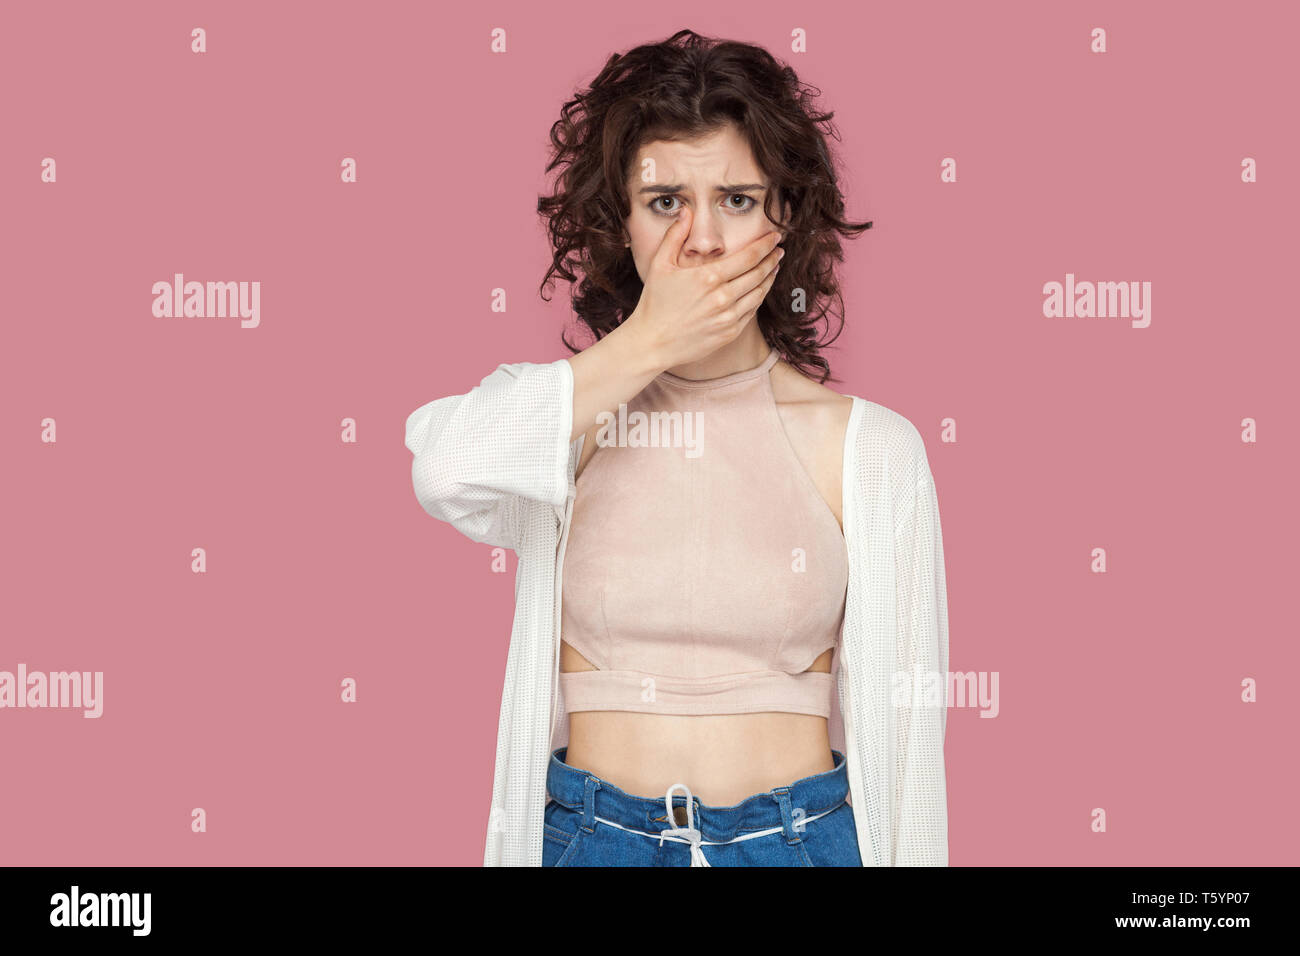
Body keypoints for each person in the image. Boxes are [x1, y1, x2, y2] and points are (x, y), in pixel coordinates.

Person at [405, 28, 950, 866]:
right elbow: (444, 469)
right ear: (620, 223)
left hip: (797, 845)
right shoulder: (570, 422)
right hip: (593, 842)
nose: (701, 239)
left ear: (784, 215)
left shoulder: (870, 450)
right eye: (665, 202)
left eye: (735, 199)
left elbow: (912, 755)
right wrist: (646, 342)